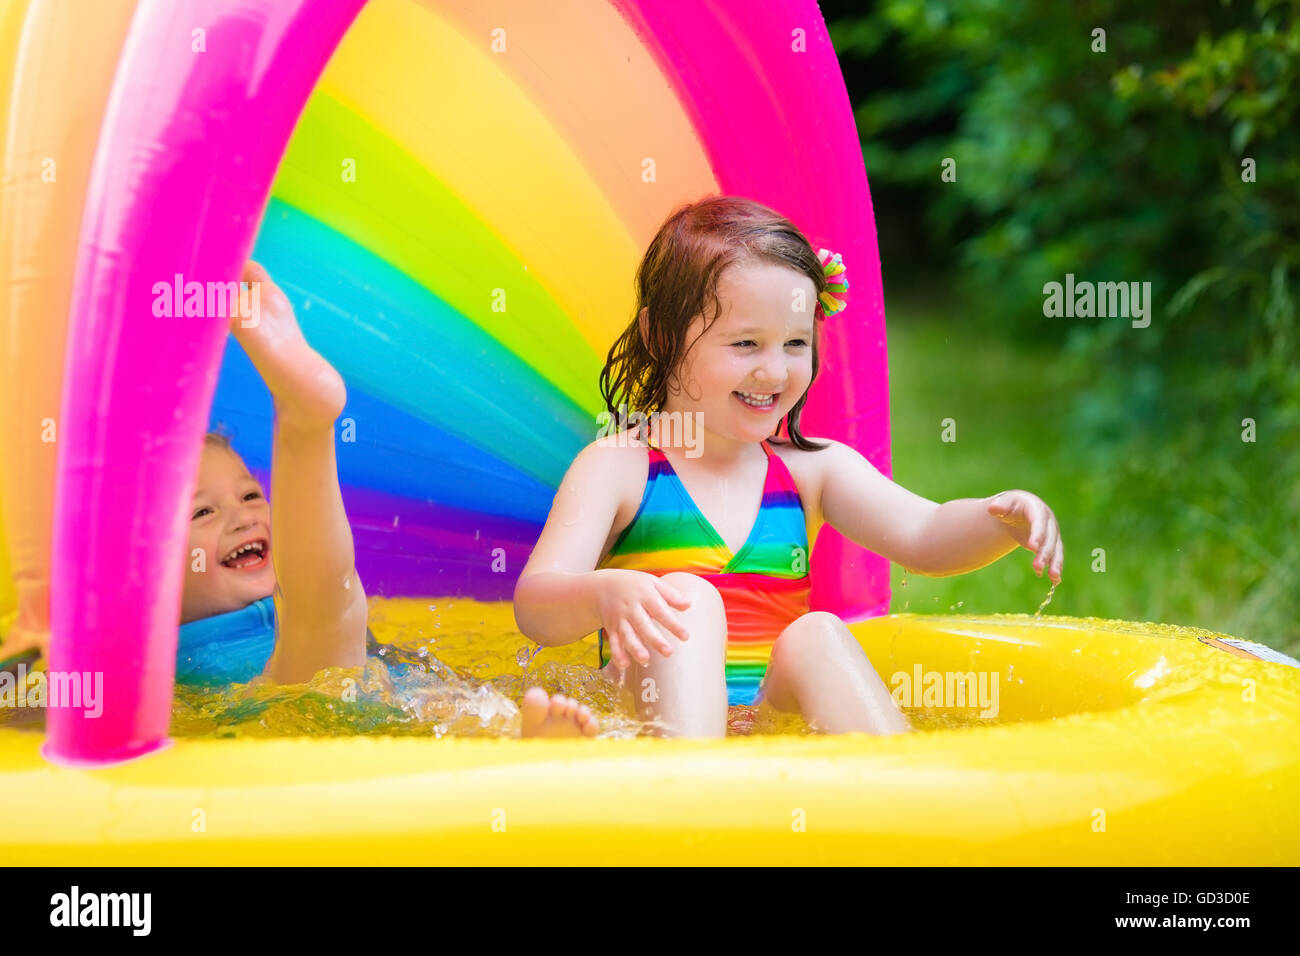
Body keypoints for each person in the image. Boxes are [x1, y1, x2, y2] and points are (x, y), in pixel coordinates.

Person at [513, 195, 1063, 737]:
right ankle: (665, 776)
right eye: (746, 343)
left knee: (818, 633)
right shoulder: (621, 467)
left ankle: (903, 789)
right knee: (689, 601)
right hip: (652, 724)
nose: (774, 371)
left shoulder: (810, 471)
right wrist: (604, 593)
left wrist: (999, 520)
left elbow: (925, 534)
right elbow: (537, 604)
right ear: (661, 337)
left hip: (764, 730)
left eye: (796, 343)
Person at [179, 261, 597, 738]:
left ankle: (510, 734)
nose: (243, 517)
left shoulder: (285, 599)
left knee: (420, 689)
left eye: (251, 494)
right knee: (323, 616)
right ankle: (303, 422)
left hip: (373, 698)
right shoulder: (157, 656)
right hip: (287, 696)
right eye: (203, 511)